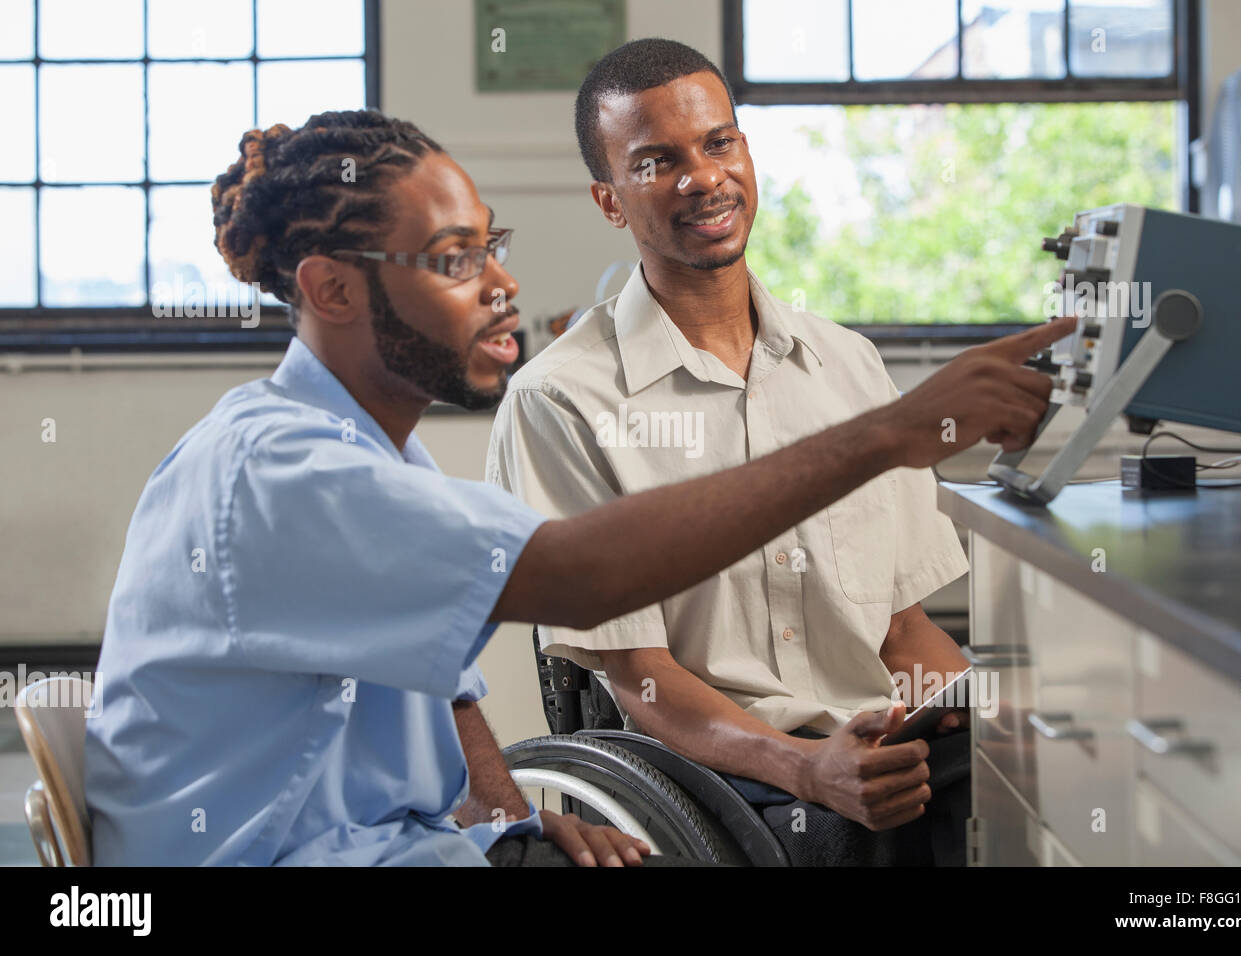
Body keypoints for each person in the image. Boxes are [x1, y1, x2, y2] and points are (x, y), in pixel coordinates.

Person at [84, 109, 1072, 867]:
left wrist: (509, 822)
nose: (500, 284)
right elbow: (582, 573)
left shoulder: (372, 454)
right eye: (454, 260)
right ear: (334, 289)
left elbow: (451, 687)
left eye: (490, 245)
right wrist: (892, 431)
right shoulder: (278, 467)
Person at [486, 40, 1006, 865]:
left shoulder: (850, 366)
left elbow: (905, 633)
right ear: (610, 200)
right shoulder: (561, 401)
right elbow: (639, 678)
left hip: (879, 744)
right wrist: (807, 769)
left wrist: (997, 720)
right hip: (720, 777)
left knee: (1050, 800)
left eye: (718, 143)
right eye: (656, 161)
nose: (702, 178)